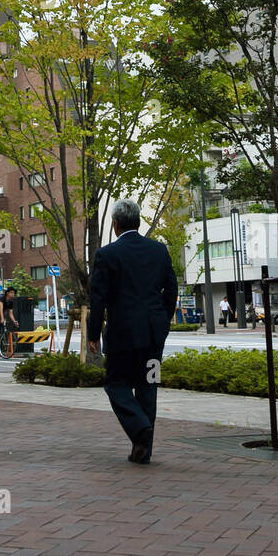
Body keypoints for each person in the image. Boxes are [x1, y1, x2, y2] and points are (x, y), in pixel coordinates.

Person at [88, 199, 178, 465]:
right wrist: (162, 319)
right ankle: (144, 449)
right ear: (138, 222)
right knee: (148, 386)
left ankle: (139, 428)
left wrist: (93, 334)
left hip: (122, 335)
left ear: (115, 224)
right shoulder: (159, 250)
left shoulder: (107, 254)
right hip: (153, 336)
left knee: (116, 383)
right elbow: (171, 289)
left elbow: (98, 299)